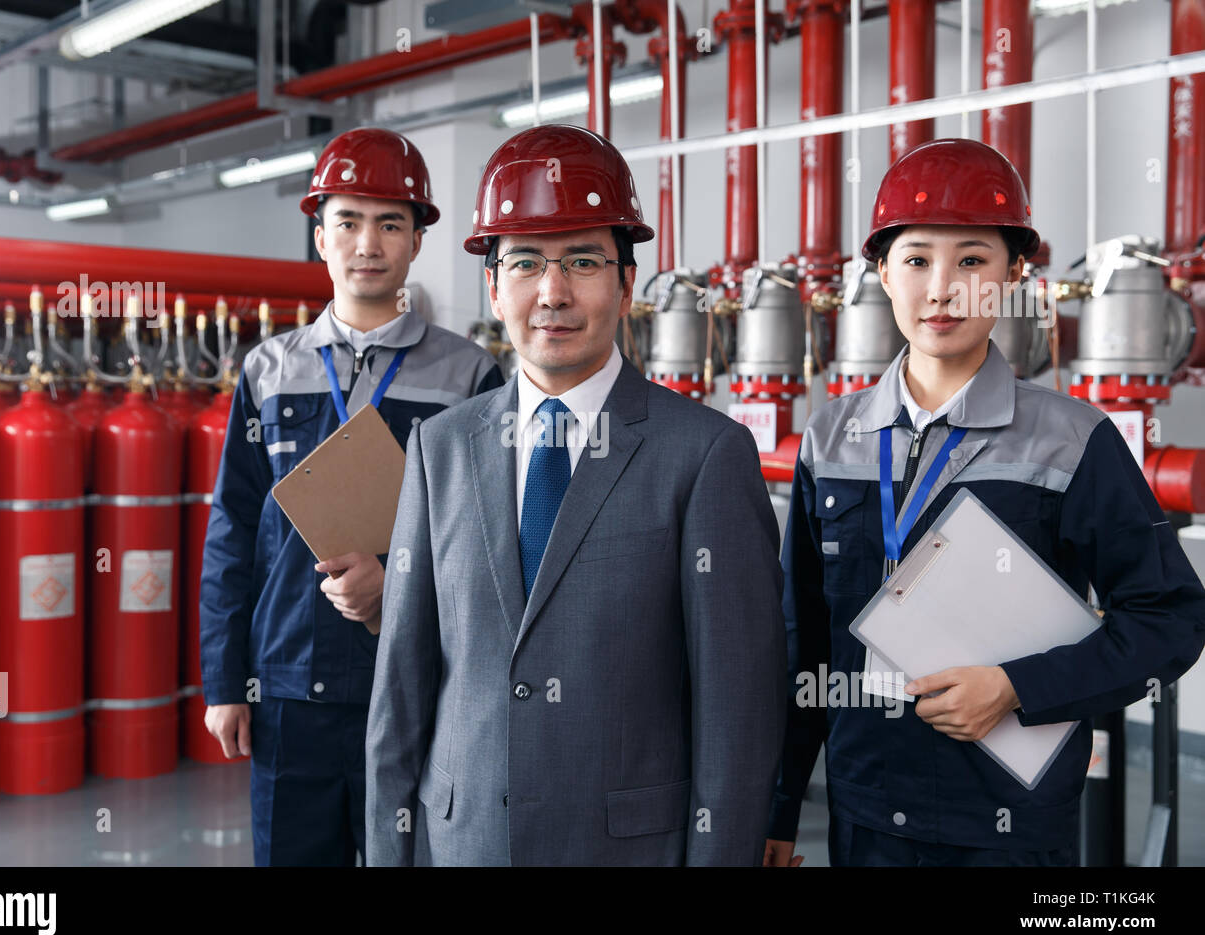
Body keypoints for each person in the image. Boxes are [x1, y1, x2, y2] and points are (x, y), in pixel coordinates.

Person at [766, 138, 1205, 867]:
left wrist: (1017, 689)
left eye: (972, 260)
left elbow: (1171, 619)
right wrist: (780, 806)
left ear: (1014, 276)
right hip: (865, 813)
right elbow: (801, 640)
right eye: (916, 260)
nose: (942, 289)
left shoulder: (1073, 442)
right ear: (880, 271)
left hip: (1010, 826)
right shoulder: (828, 439)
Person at [364, 124, 787, 866]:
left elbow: (736, 710)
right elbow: (402, 687)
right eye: (525, 263)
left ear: (626, 284)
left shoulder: (706, 455)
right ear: (494, 287)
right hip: (465, 845)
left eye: (583, 261)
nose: (553, 292)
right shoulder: (441, 449)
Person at [199, 127, 504, 866]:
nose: (368, 242)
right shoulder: (267, 370)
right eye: (349, 221)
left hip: (415, 684)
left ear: (417, 239)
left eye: (391, 222)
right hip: (288, 685)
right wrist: (223, 680)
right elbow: (234, 527)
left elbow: (492, 540)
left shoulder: (470, 376)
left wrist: (394, 580)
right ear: (320, 236)